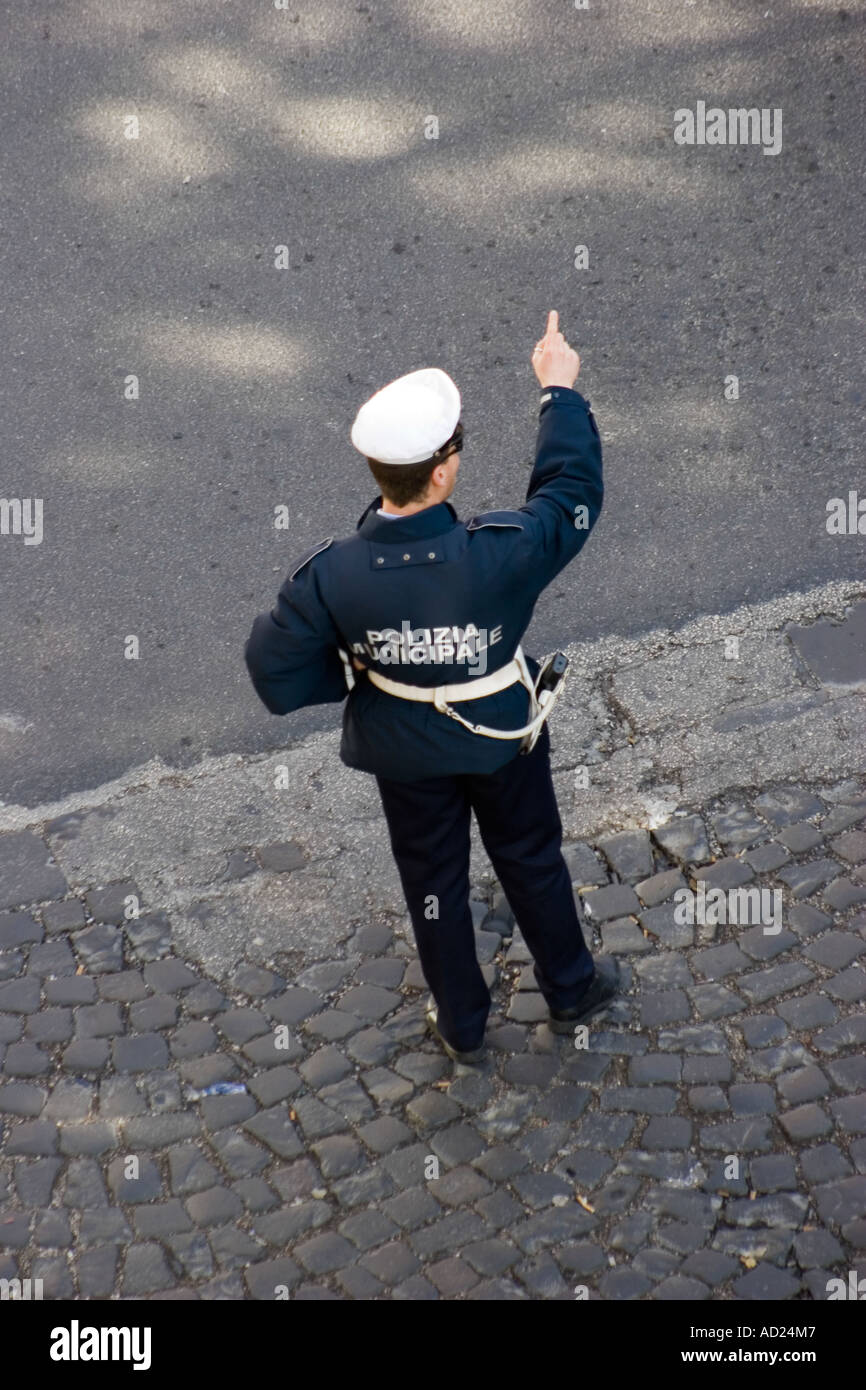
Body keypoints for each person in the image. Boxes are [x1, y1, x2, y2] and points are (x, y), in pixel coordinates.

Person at [245, 310, 619, 1063]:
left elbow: (276, 678)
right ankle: (572, 987)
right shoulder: (501, 553)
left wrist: (362, 669)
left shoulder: (331, 573)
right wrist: (558, 392)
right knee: (530, 855)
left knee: (433, 881)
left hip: (404, 748)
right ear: (444, 469)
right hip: (500, 740)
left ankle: (463, 1023)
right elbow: (571, 492)